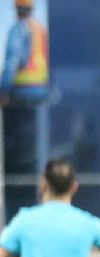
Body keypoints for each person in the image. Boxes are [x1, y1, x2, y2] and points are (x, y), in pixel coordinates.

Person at [0, 0, 49, 216]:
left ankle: (15, 213)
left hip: (20, 98)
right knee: (32, 158)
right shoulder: (39, 29)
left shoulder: (19, 30)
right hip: (38, 97)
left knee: (16, 160)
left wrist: (3, 91)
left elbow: (13, 62)